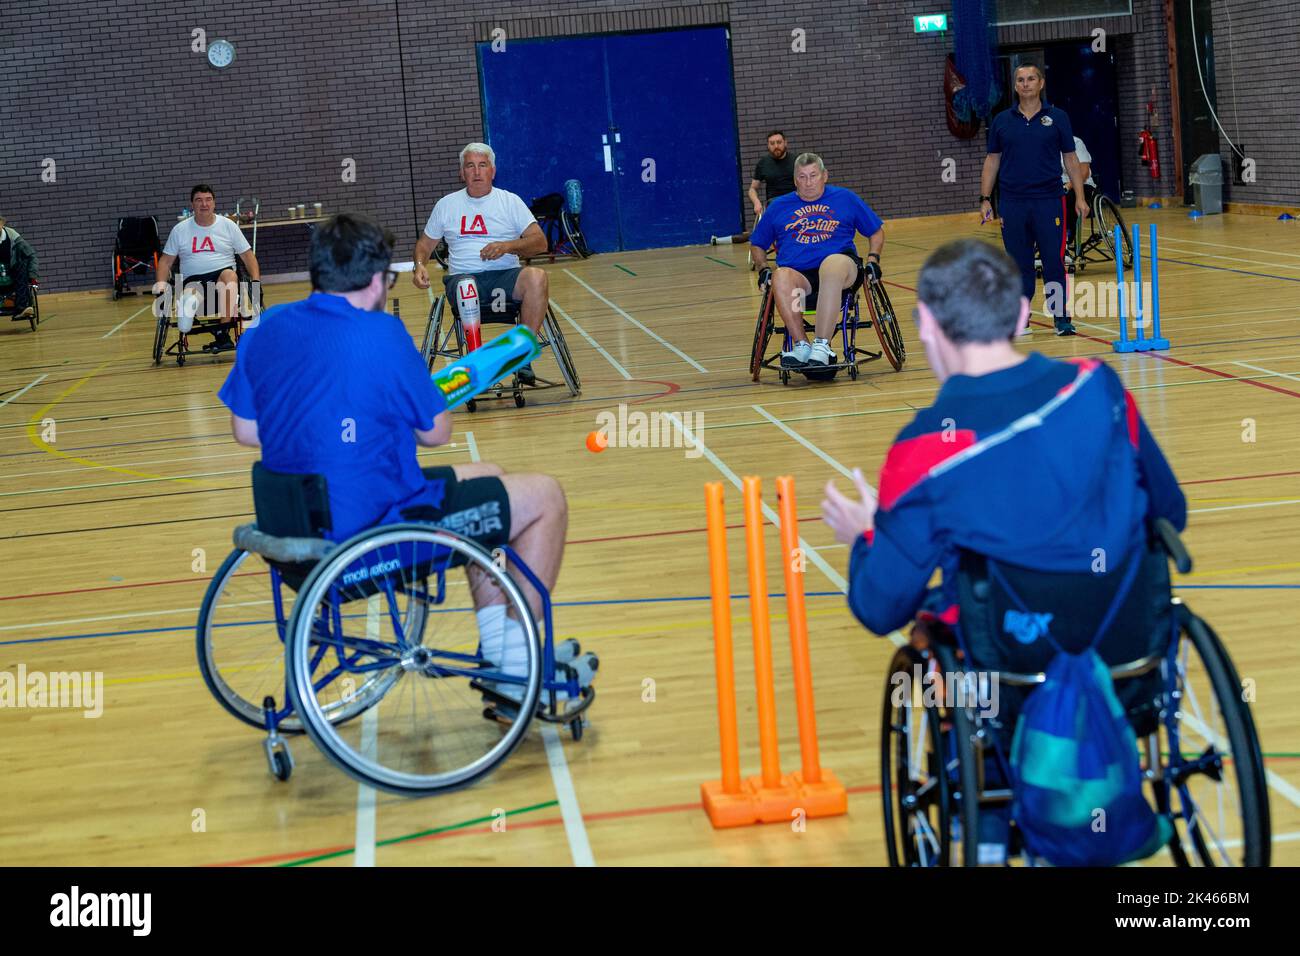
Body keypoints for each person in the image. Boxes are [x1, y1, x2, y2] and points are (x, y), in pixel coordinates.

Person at [219, 213, 589, 695]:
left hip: (293, 531)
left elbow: (246, 431)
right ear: (376, 280)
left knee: (489, 475)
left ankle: (500, 650)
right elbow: (435, 433)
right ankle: (517, 668)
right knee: (545, 497)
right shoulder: (383, 335)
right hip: (367, 534)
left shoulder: (266, 328)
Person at [412, 143, 550, 386]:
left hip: (506, 276)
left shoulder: (510, 201)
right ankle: (477, 362)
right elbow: (424, 245)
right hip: (463, 280)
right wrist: (419, 265)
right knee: (467, 286)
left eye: (482, 165)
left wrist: (508, 246)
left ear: (493, 171)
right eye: (470, 166)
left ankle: (521, 357)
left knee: (537, 276)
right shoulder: (447, 204)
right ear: (461, 173)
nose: (476, 172)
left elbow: (540, 242)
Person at [979, 63, 1089, 336]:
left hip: (1049, 200)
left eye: (1031, 79)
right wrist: (985, 199)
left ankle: (1061, 318)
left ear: (1041, 83)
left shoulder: (1058, 117)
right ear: (1015, 86)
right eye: (1020, 80)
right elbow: (992, 161)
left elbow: (1071, 158)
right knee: (1018, 263)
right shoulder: (1002, 121)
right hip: (1012, 203)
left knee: (1053, 260)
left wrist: (1080, 196)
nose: (1025, 83)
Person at [748, 152, 885, 370]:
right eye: (802, 177)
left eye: (813, 175)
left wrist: (873, 259)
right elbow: (757, 244)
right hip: (801, 281)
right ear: (795, 180)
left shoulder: (845, 198)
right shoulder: (778, 207)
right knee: (780, 275)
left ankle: (821, 346)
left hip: (842, 268)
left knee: (830, 265)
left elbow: (876, 232)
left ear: (824, 176)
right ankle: (802, 345)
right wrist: (764, 268)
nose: (808, 182)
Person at [154, 184, 262, 351]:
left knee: (229, 276)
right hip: (193, 281)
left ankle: (222, 332)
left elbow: (248, 256)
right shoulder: (180, 230)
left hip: (223, 280)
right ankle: (187, 307)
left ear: (214, 203)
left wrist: (255, 282)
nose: (204, 204)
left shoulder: (228, 225)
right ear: (192, 205)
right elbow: (165, 262)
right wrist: (161, 288)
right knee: (190, 293)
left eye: (208, 200)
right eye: (199, 200)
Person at [0, 216, 39, 322]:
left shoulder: (13, 236)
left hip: (12, 272)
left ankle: (22, 308)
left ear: (2, 224)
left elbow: (31, 256)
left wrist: (33, 276)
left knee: (22, 264)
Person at [1062, 134, 1097, 247]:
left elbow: (1084, 172)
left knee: (1068, 197)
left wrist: (1068, 186)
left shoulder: (1076, 142)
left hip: (1081, 184)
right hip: (1056, 185)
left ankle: (1068, 234)